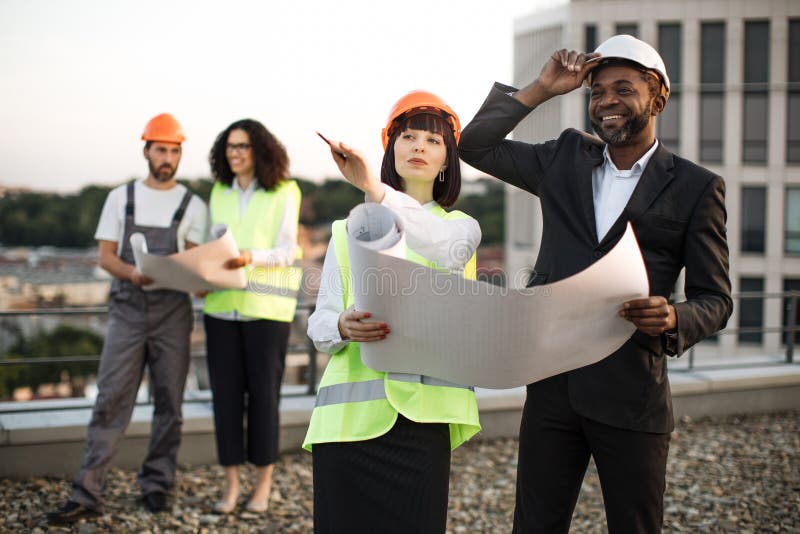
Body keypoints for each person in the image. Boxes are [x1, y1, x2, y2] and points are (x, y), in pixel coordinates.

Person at [459, 35, 732, 533]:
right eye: (596, 91)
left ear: (658, 97)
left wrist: (674, 316)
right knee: (535, 524)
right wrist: (542, 89)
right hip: (552, 385)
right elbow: (474, 145)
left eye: (622, 89)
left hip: (631, 392)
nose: (606, 101)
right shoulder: (564, 157)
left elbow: (716, 299)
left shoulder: (697, 188)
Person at [304, 91, 482, 533]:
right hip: (346, 428)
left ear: (447, 161)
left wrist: (374, 191)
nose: (419, 146)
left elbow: (437, 247)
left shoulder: (460, 229)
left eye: (433, 140)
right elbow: (319, 325)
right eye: (408, 136)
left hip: (423, 424)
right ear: (391, 149)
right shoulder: (348, 230)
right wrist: (342, 325)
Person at [47, 114, 208, 524]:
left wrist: (189, 277)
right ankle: (87, 491)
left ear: (179, 154)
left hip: (172, 312)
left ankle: (157, 484)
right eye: (161, 149)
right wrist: (133, 273)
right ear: (147, 150)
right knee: (111, 397)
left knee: (170, 402)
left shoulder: (193, 205)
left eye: (174, 151)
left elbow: (192, 264)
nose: (167, 157)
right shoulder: (120, 198)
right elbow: (105, 257)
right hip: (128, 309)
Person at [203, 119, 302, 514]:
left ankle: (262, 486)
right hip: (221, 309)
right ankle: (230, 487)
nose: (235, 153)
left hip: (267, 309)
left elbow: (287, 251)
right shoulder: (218, 193)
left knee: (263, 400)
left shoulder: (285, 191)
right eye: (229, 147)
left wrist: (250, 258)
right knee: (225, 401)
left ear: (259, 150)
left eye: (242, 146)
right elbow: (214, 247)